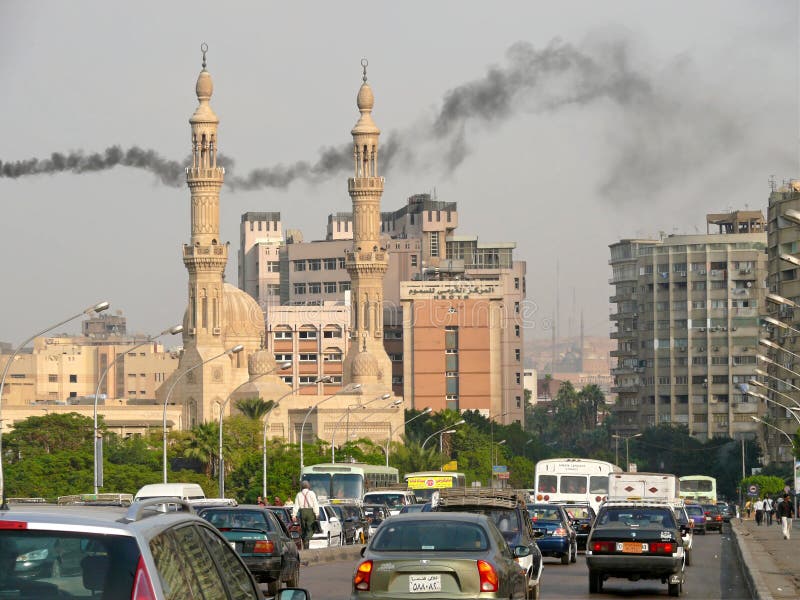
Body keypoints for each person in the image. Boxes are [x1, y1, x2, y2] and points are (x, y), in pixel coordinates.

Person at [293, 480, 320, 549]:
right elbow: (315, 504)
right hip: (310, 512)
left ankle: (305, 540)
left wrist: (294, 515)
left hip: (302, 512)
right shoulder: (311, 493)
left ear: (302, 487)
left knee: (303, 528)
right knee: (310, 528)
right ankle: (307, 541)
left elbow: (296, 505)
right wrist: (317, 514)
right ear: (308, 486)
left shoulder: (298, 494)